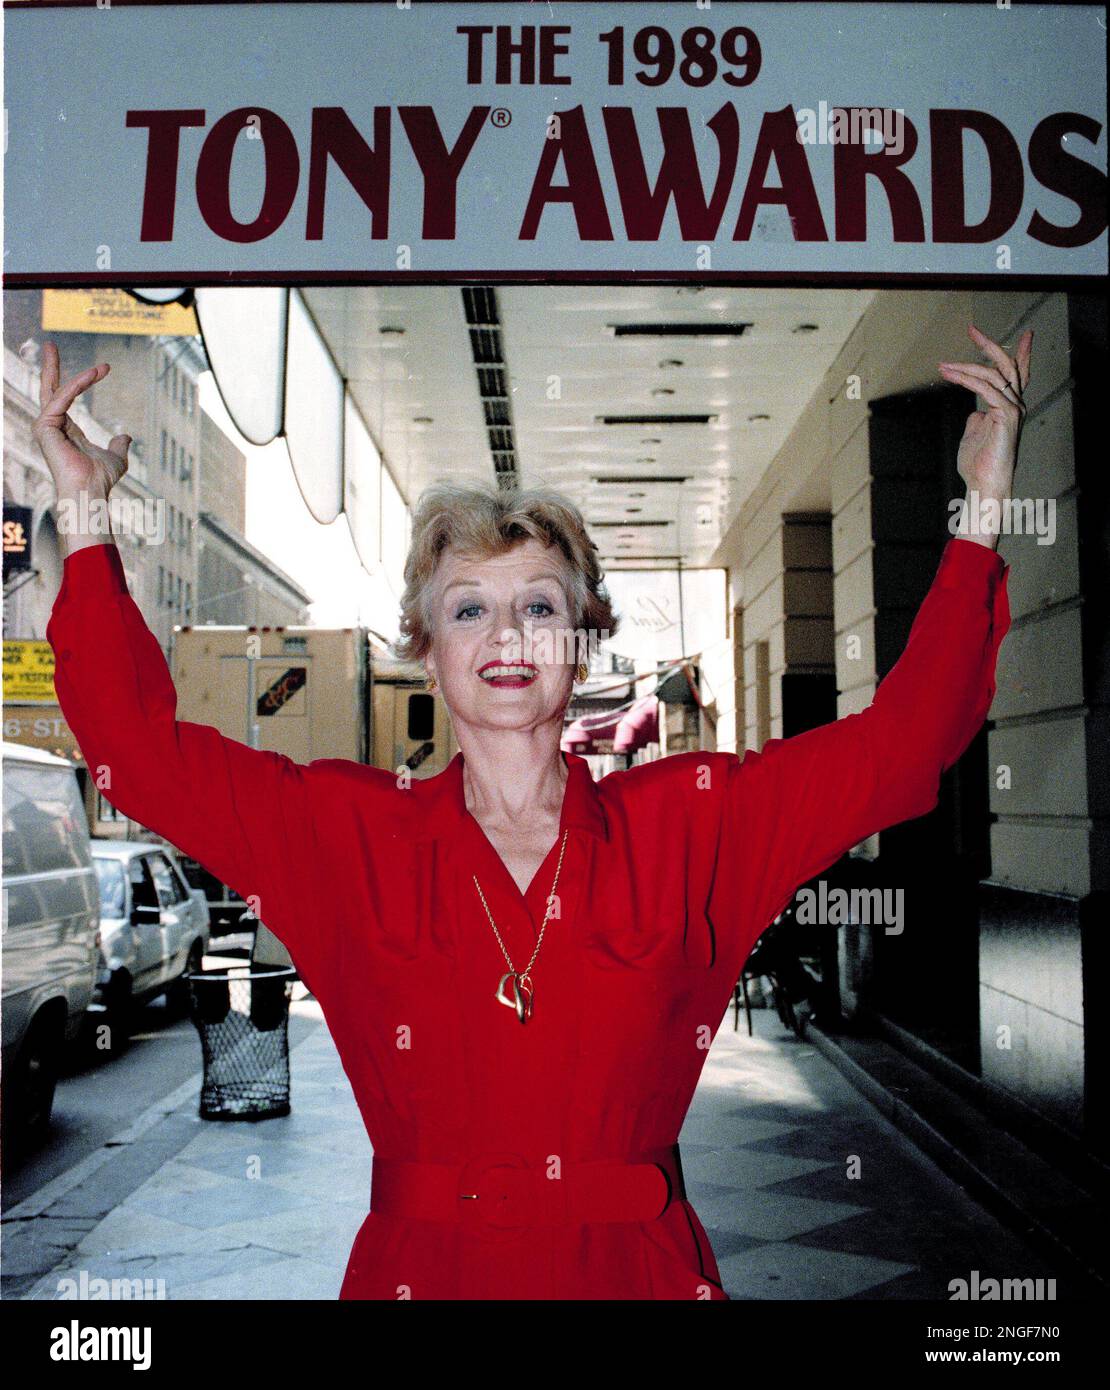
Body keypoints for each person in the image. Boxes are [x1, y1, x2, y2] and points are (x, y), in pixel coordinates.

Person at [37, 324, 1030, 1300]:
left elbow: (903, 748)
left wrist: (983, 504)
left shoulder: (693, 822)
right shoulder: (342, 831)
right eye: (470, 607)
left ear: (582, 644)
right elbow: (137, 756)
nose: (507, 634)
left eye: (541, 607)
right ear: (427, 648)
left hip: (637, 1274)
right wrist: (85, 518)